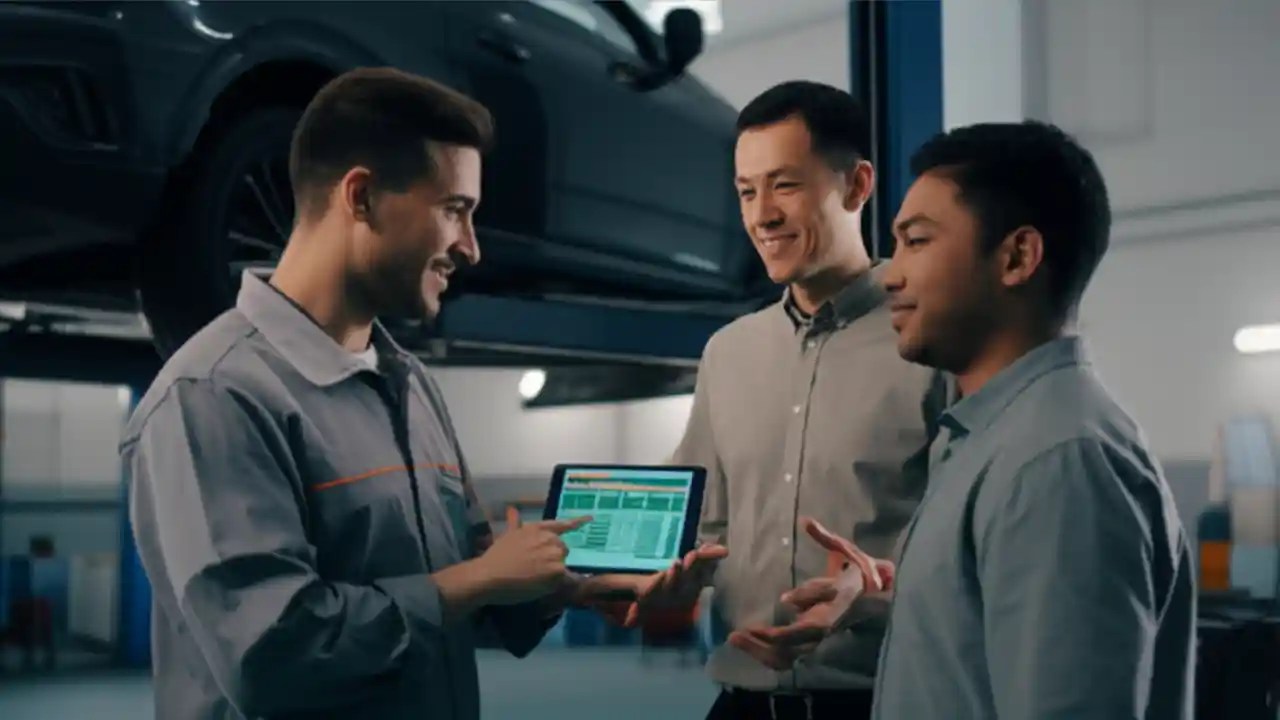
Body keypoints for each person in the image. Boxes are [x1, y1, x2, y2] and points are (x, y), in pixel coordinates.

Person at [120, 67, 702, 720]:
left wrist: (555, 588)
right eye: (456, 210)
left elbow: (457, 594)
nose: (472, 248)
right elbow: (273, 658)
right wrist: (478, 580)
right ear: (362, 196)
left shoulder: (409, 383)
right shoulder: (213, 397)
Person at [777, 120, 1198, 719]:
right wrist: (882, 597)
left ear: (1017, 257)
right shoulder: (996, 436)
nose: (891, 274)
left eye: (917, 242)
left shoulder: (1057, 461)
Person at [622, 80, 947, 720]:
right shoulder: (728, 352)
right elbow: (706, 524)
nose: (761, 214)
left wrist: (879, 595)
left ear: (856, 187)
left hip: (881, 702)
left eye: (785, 185)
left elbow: (968, 546)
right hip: (740, 705)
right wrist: (653, 572)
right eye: (747, 191)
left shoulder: (930, 339)